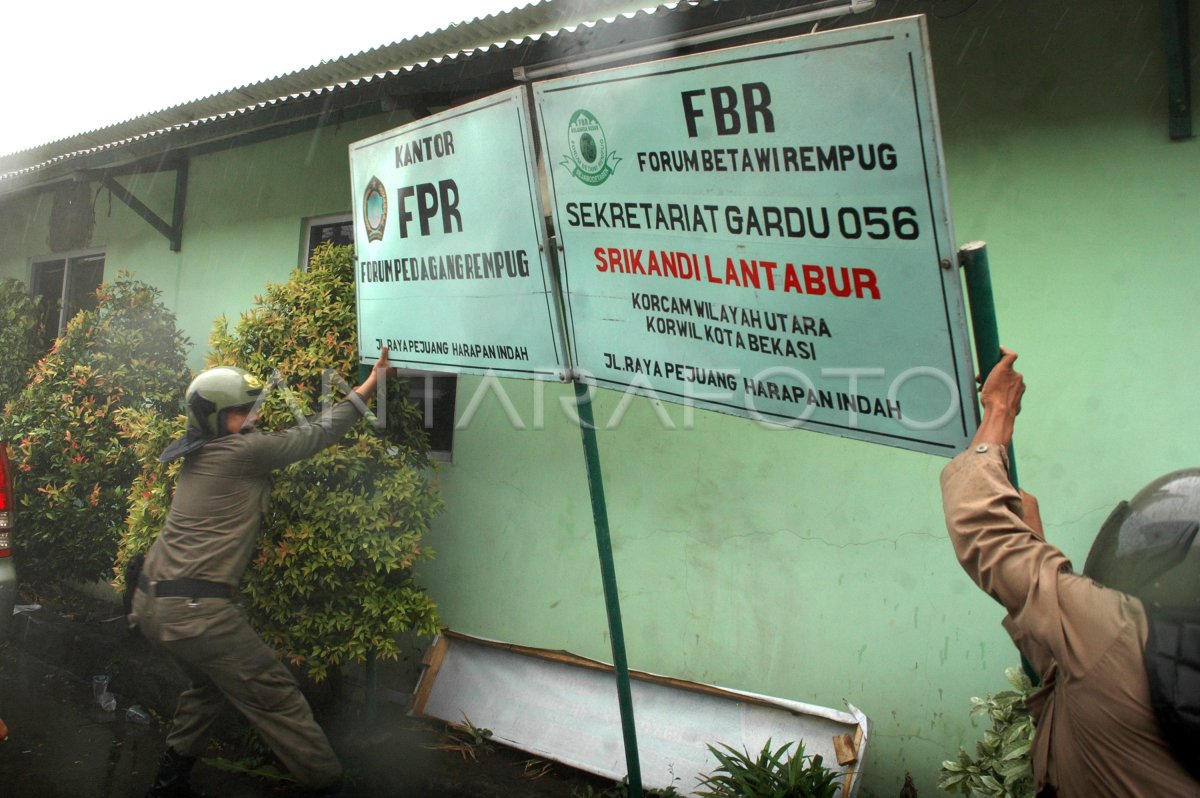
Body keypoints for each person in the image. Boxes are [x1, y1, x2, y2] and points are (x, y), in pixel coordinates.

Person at [131, 349, 392, 798]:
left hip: (152, 603)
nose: (254, 417)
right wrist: (370, 386)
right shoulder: (241, 452)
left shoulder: (199, 453)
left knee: (208, 688)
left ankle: (168, 786)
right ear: (215, 418)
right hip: (196, 611)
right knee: (276, 695)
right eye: (242, 411)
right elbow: (315, 434)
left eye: (253, 408)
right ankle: (331, 787)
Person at [940, 347, 1200, 797]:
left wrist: (999, 411)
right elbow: (1079, 681)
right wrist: (1034, 548)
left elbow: (981, 526)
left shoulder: (1118, 634)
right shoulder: (1146, 655)